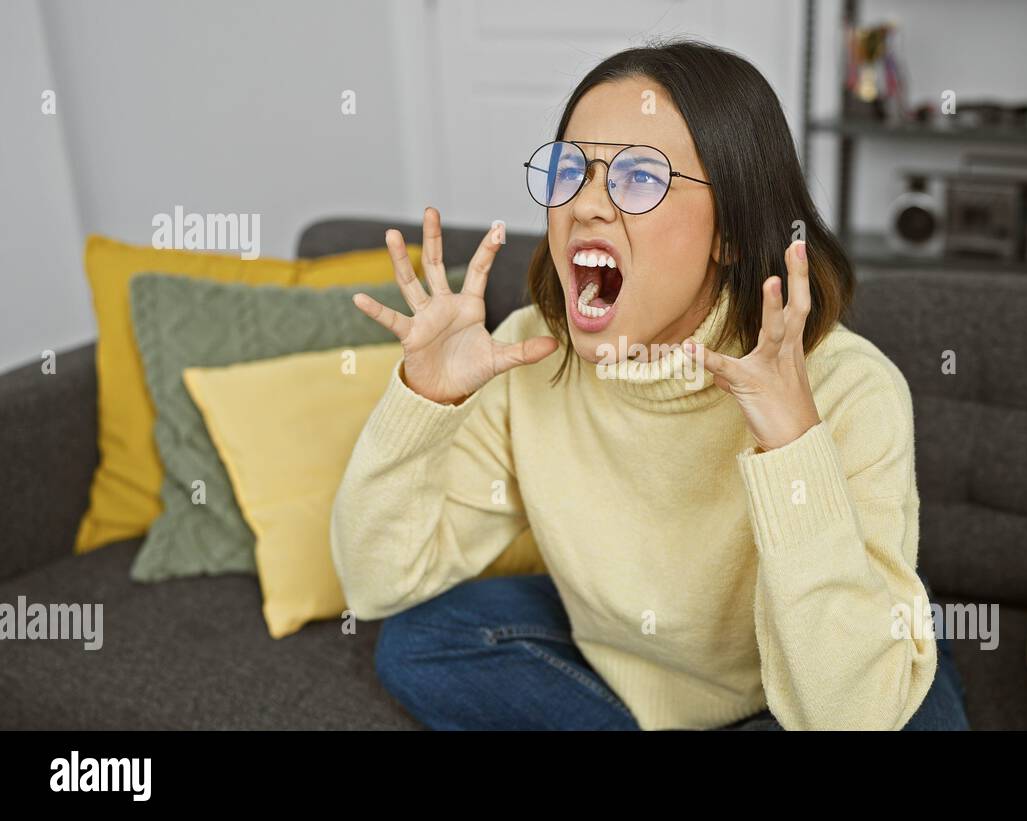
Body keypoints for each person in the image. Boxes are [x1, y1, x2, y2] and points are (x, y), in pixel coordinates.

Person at [331, 38, 970, 731]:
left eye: (639, 178)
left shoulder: (852, 387)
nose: (587, 207)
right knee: (418, 640)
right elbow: (376, 583)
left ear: (730, 229)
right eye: (571, 172)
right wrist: (424, 400)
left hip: (814, 685)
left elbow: (852, 714)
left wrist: (792, 445)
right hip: (621, 664)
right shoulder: (526, 352)